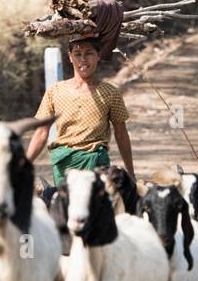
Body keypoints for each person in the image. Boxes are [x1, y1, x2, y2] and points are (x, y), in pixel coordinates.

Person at [26, 35, 134, 185]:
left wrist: (131, 173)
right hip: (65, 165)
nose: (83, 59)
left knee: (98, 207)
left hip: (97, 166)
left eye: (89, 53)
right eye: (77, 54)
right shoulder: (55, 91)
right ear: (70, 57)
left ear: (98, 55)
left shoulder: (110, 93)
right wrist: (24, 165)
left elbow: (121, 134)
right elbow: (41, 132)